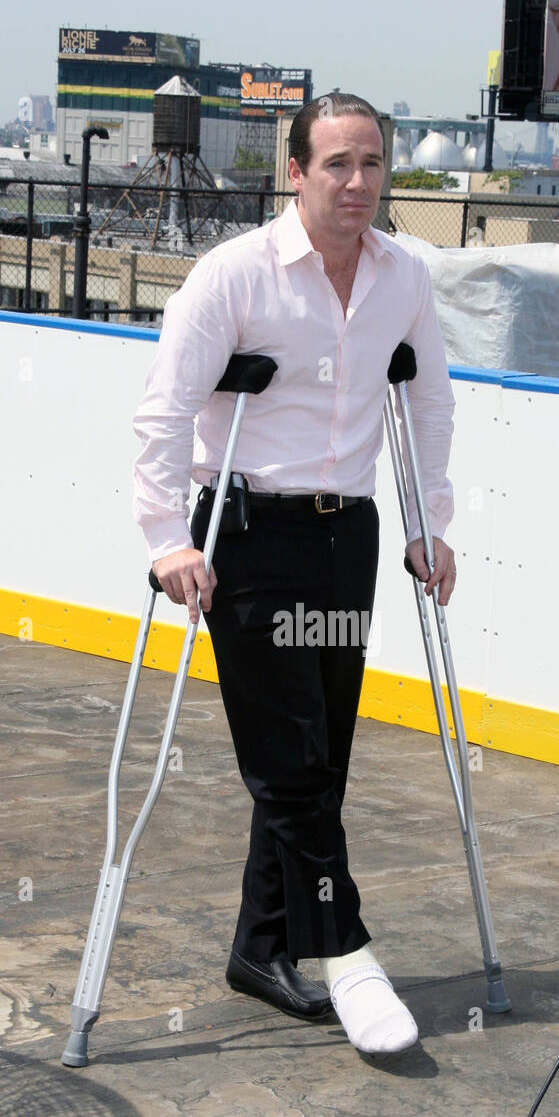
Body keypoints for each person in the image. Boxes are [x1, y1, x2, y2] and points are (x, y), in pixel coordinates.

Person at [131, 93, 457, 1056]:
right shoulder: (232, 277)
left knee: (324, 760)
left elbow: (430, 402)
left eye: (371, 164)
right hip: (246, 534)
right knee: (290, 762)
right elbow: (161, 413)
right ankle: (345, 950)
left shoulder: (405, 277)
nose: (357, 183)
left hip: (343, 535)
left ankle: (260, 945)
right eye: (336, 165)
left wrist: (429, 524)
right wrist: (164, 540)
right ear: (297, 172)